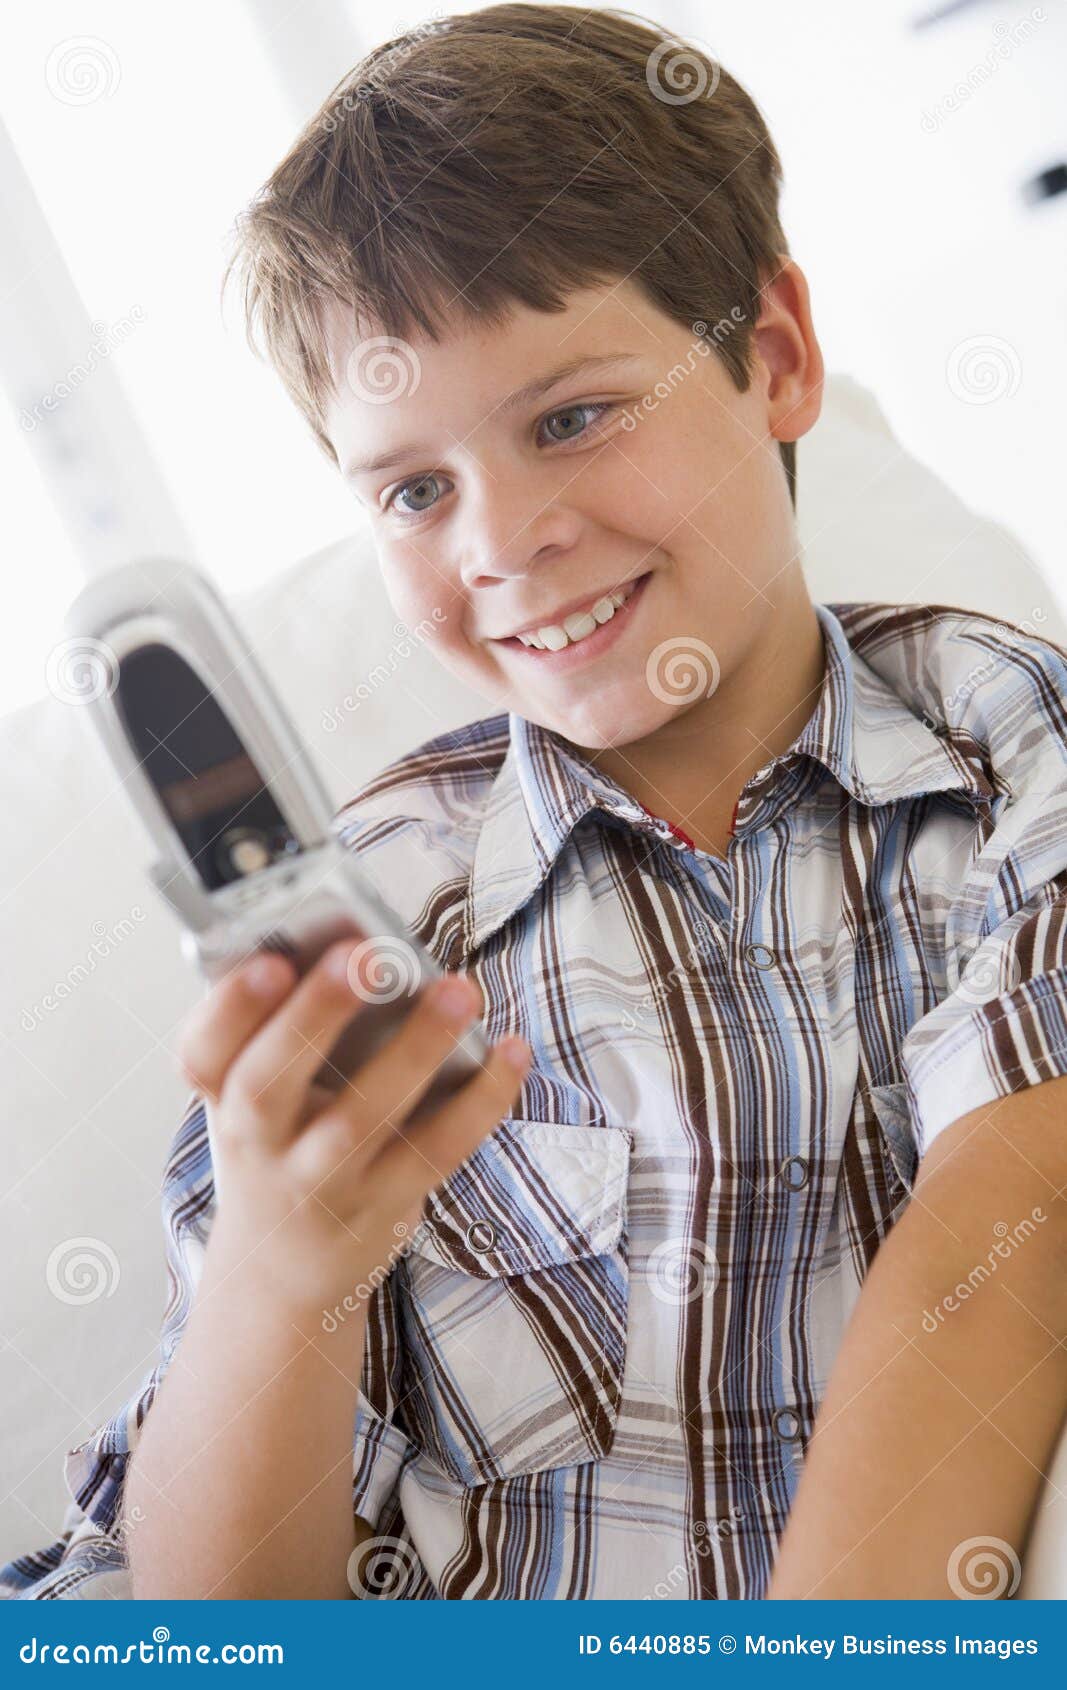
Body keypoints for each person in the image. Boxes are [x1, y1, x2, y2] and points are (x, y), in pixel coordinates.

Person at [5, 4, 1067, 1601]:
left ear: (776, 357)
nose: (503, 541)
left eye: (571, 418)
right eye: (415, 489)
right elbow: (216, 1619)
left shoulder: (1008, 744)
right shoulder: (388, 909)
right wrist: (284, 1265)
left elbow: (1004, 1247)